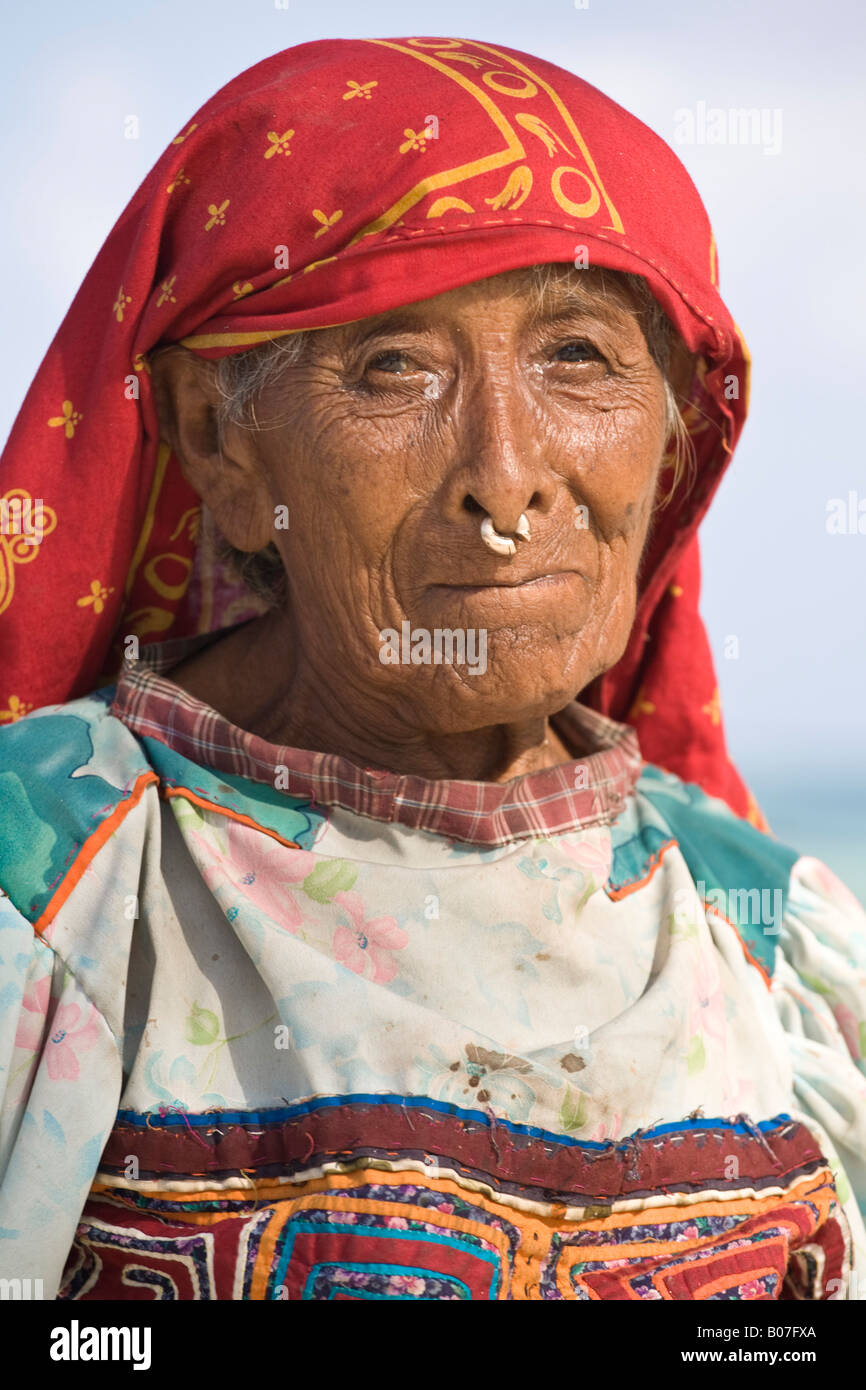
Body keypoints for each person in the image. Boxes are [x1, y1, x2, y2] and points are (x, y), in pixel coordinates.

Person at [1, 35, 864, 1302]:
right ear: (216, 444)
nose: (503, 474)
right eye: (393, 368)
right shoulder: (53, 883)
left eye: (577, 356)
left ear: (672, 439)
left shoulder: (774, 946)